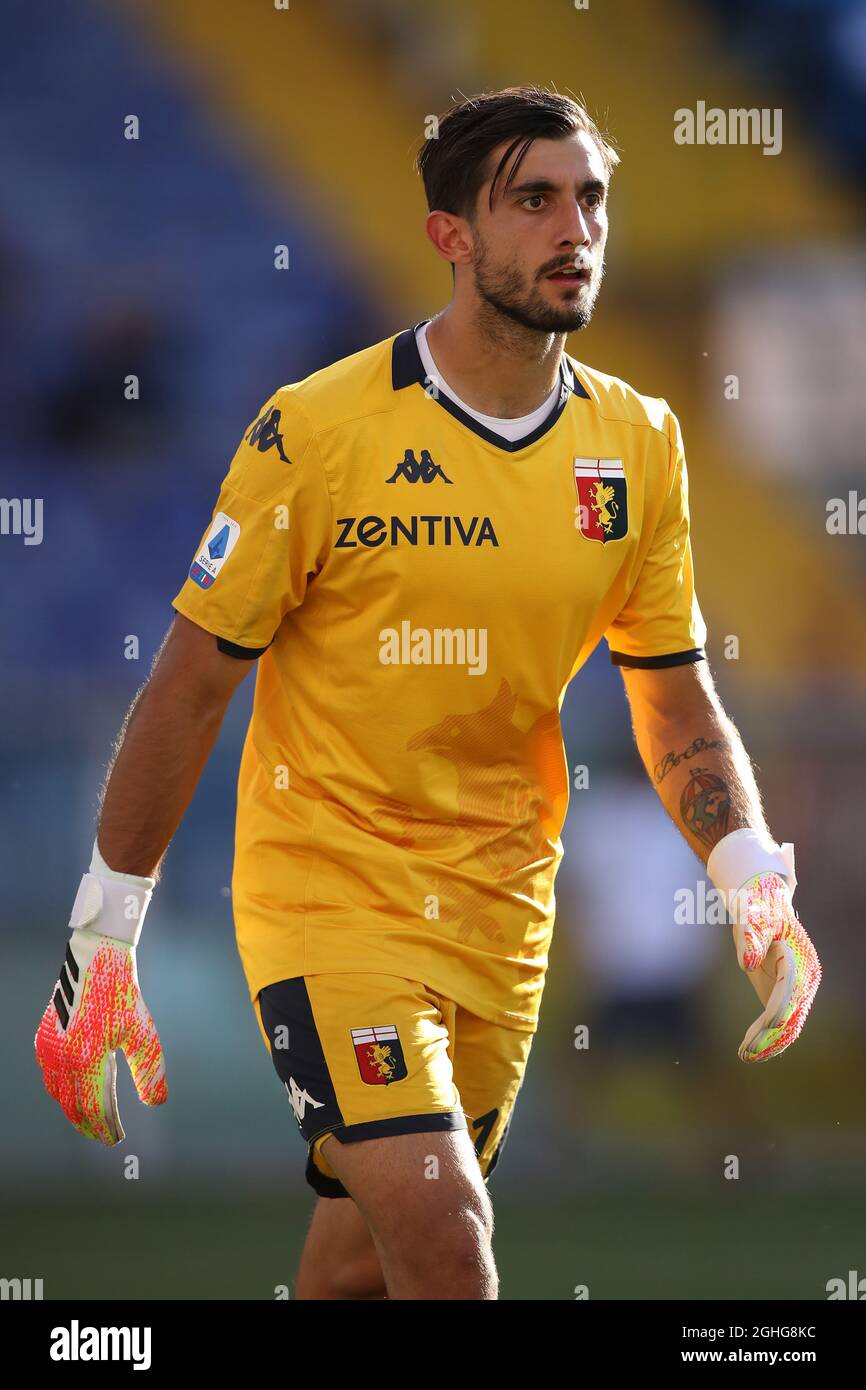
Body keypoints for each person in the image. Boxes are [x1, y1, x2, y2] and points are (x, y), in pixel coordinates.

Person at [35, 85, 820, 1301]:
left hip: (500, 918)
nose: (574, 230)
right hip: (326, 898)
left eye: (589, 199)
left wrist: (748, 874)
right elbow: (190, 685)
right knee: (450, 1241)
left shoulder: (640, 444)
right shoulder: (316, 431)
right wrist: (103, 934)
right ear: (449, 235)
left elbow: (670, 694)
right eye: (532, 201)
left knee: (357, 1270)